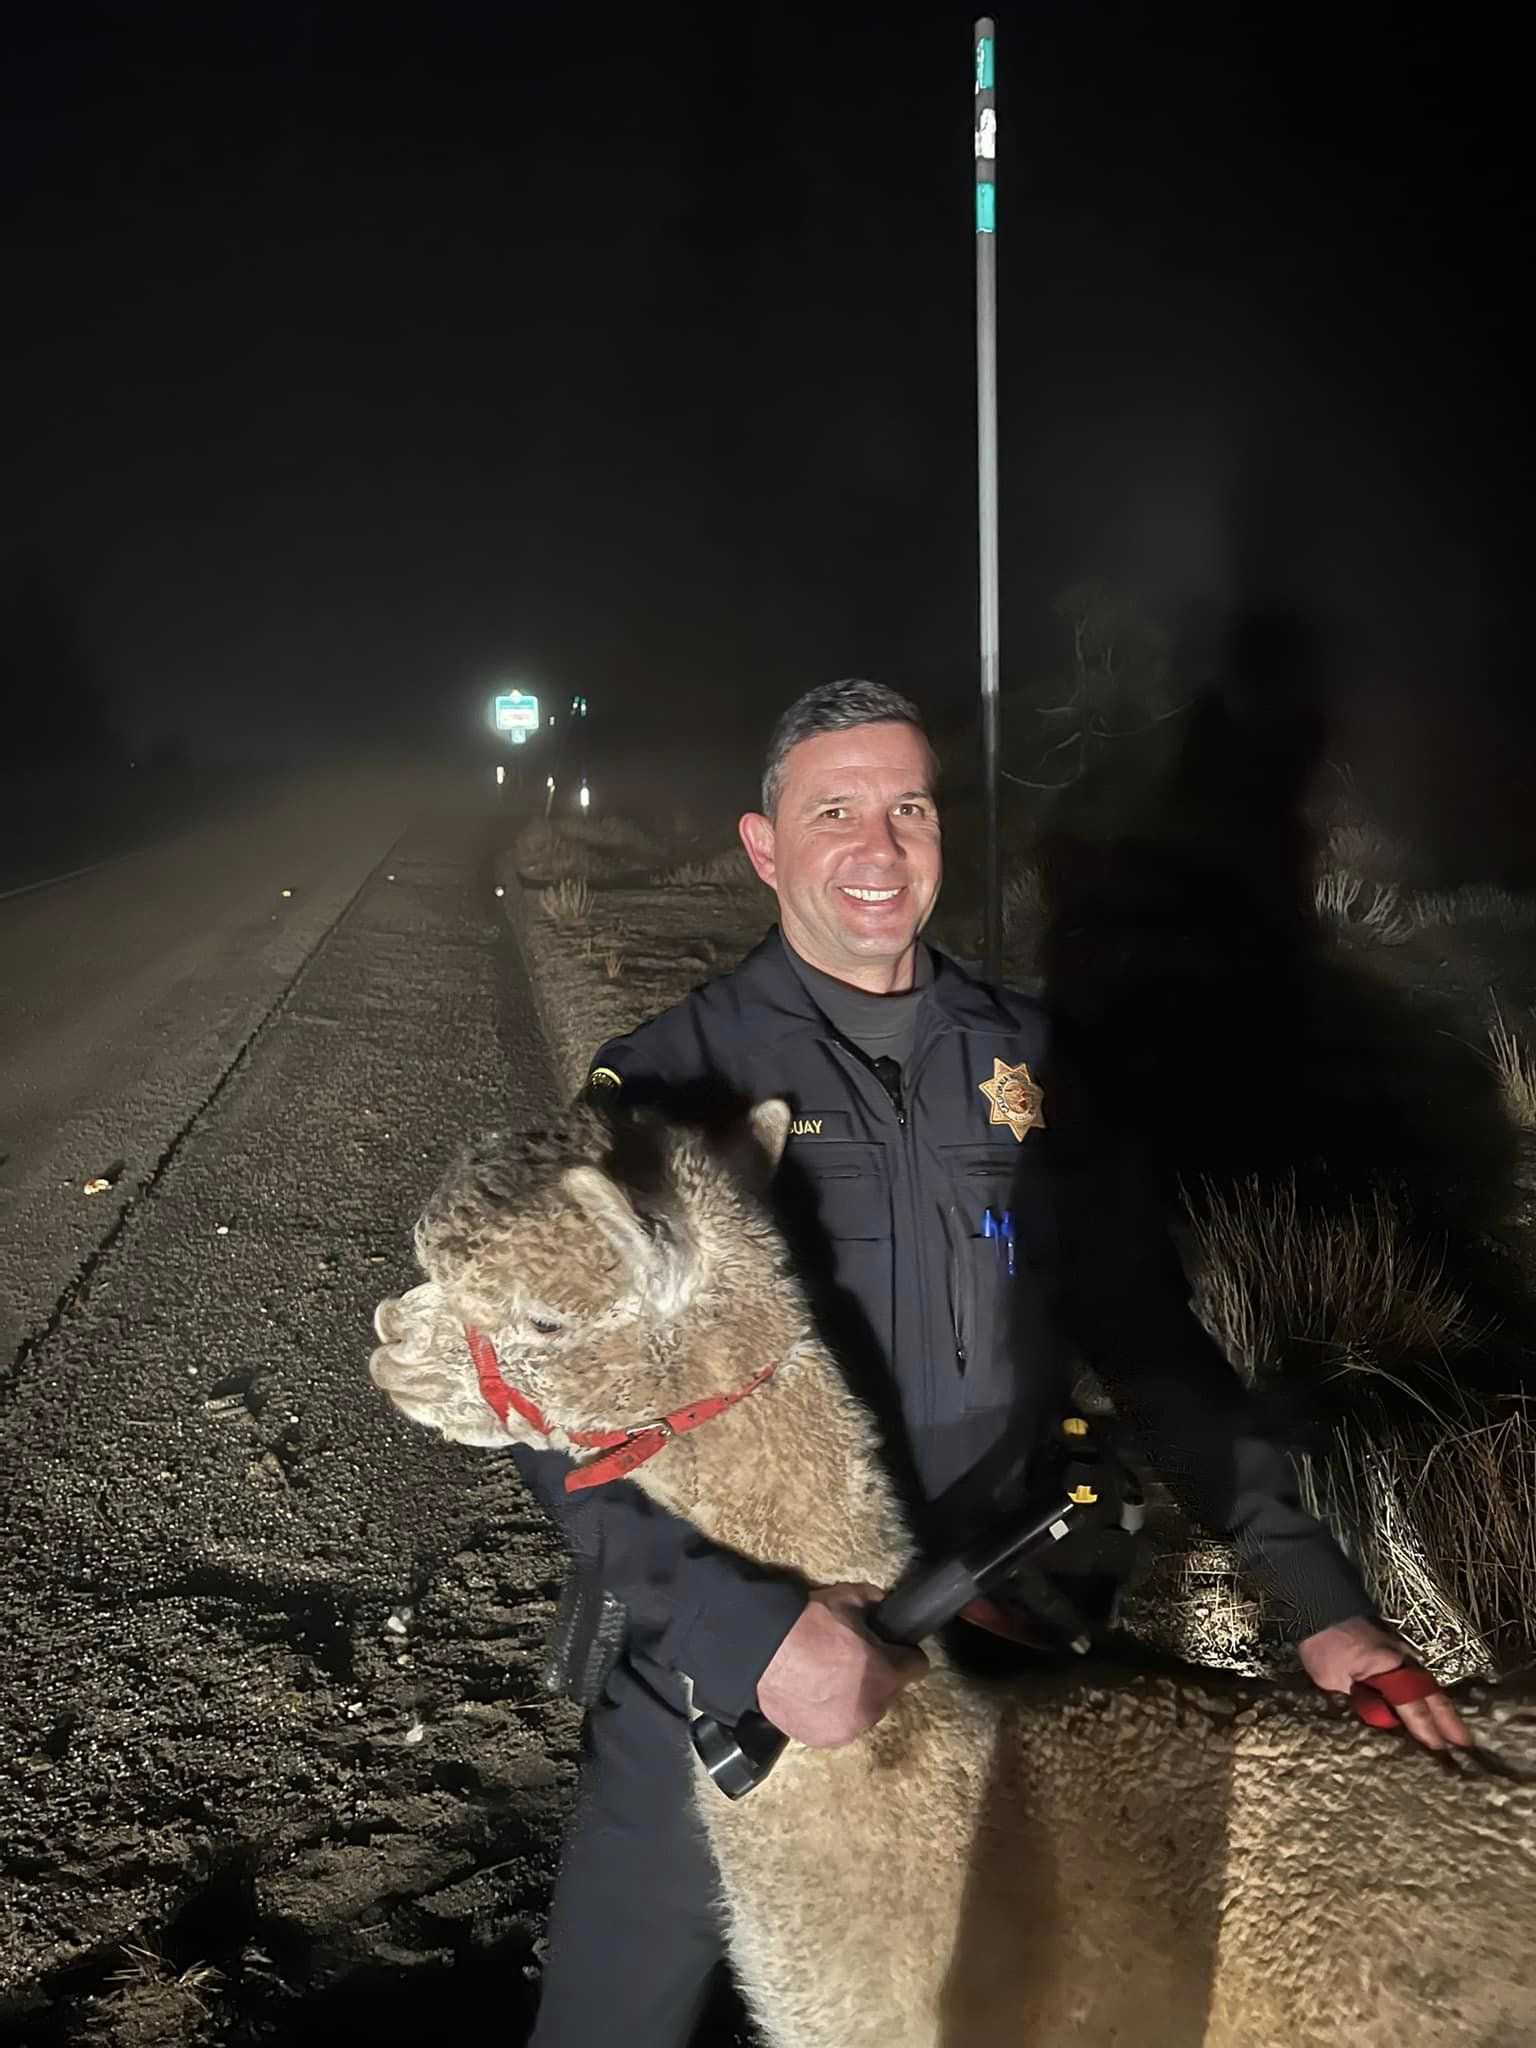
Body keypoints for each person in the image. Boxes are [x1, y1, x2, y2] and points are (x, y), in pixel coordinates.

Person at [508, 678, 1469, 2048]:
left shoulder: (1031, 1059)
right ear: (764, 846)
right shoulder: (667, 1082)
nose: (878, 846)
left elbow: (1151, 1342)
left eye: (908, 804)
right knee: (616, 2024)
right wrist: (745, 1633)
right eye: (832, 810)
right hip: (739, 1670)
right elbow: (555, 1416)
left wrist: (1317, 1595)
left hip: (992, 1638)